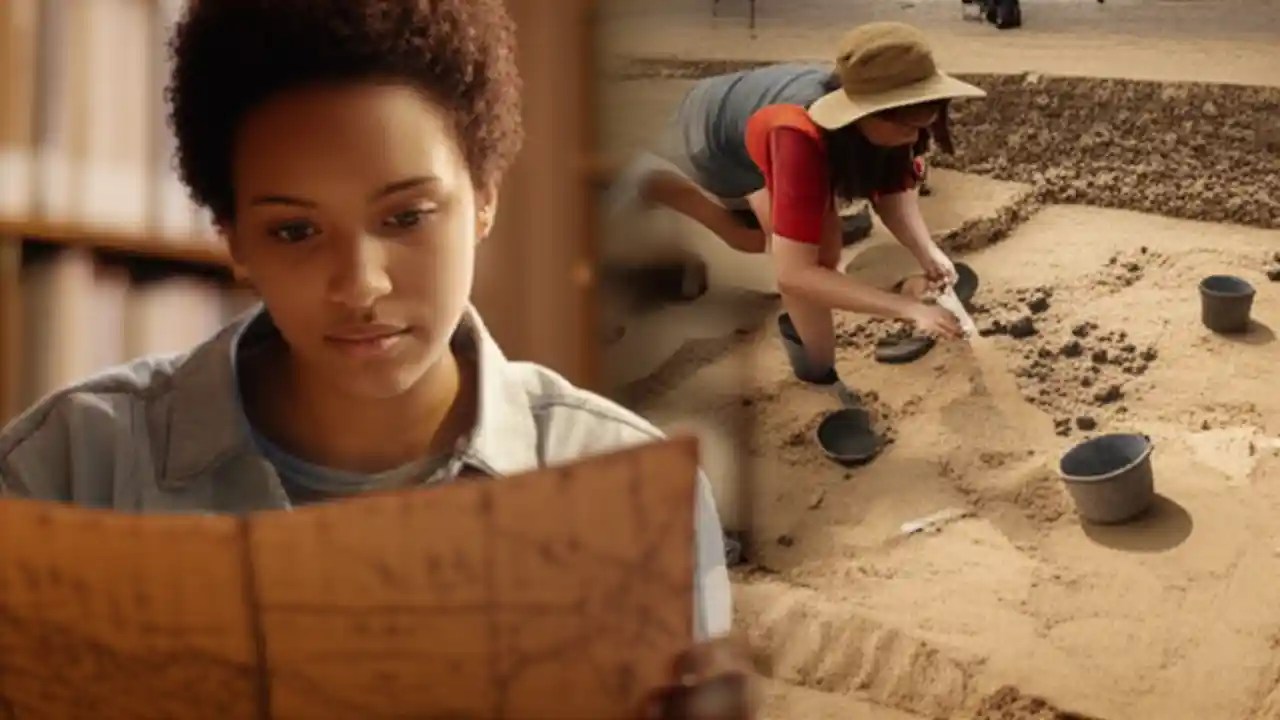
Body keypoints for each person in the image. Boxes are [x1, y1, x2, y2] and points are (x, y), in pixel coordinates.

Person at [0, 0, 744, 715]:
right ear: (232, 237)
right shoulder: (68, 469)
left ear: (484, 196)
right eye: (295, 231)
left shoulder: (626, 487)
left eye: (406, 217)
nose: (360, 285)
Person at [611, 23, 986, 385]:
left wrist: (928, 252)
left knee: (819, 243)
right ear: (864, 113)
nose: (918, 134)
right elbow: (796, 274)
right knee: (760, 243)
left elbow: (892, 191)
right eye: (907, 124)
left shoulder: (884, 122)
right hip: (715, 137)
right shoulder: (798, 137)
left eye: (925, 119)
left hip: (759, 111)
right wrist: (907, 309)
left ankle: (809, 295)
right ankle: (657, 182)